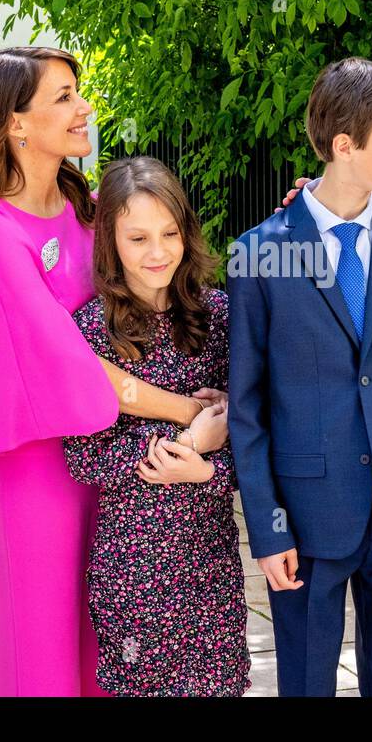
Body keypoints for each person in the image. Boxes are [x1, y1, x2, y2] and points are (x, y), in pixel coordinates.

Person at [0, 47, 225, 696]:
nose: (85, 109)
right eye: (65, 96)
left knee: (105, 666)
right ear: (16, 123)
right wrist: (192, 412)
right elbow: (77, 369)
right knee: (42, 663)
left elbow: (169, 272)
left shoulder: (94, 212)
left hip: (113, 467)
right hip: (34, 475)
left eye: (80, 92)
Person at [229, 57, 372, 697]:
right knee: (307, 683)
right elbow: (247, 406)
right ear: (343, 145)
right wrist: (268, 524)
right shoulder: (259, 252)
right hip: (306, 517)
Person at [62, 157, 249, 696]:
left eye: (169, 233)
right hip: (132, 565)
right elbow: (85, 457)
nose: (159, 252)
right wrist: (189, 444)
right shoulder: (92, 332)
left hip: (210, 563)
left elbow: (249, 441)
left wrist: (205, 472)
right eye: (138, 237)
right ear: (111, 243)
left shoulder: (220, 319)